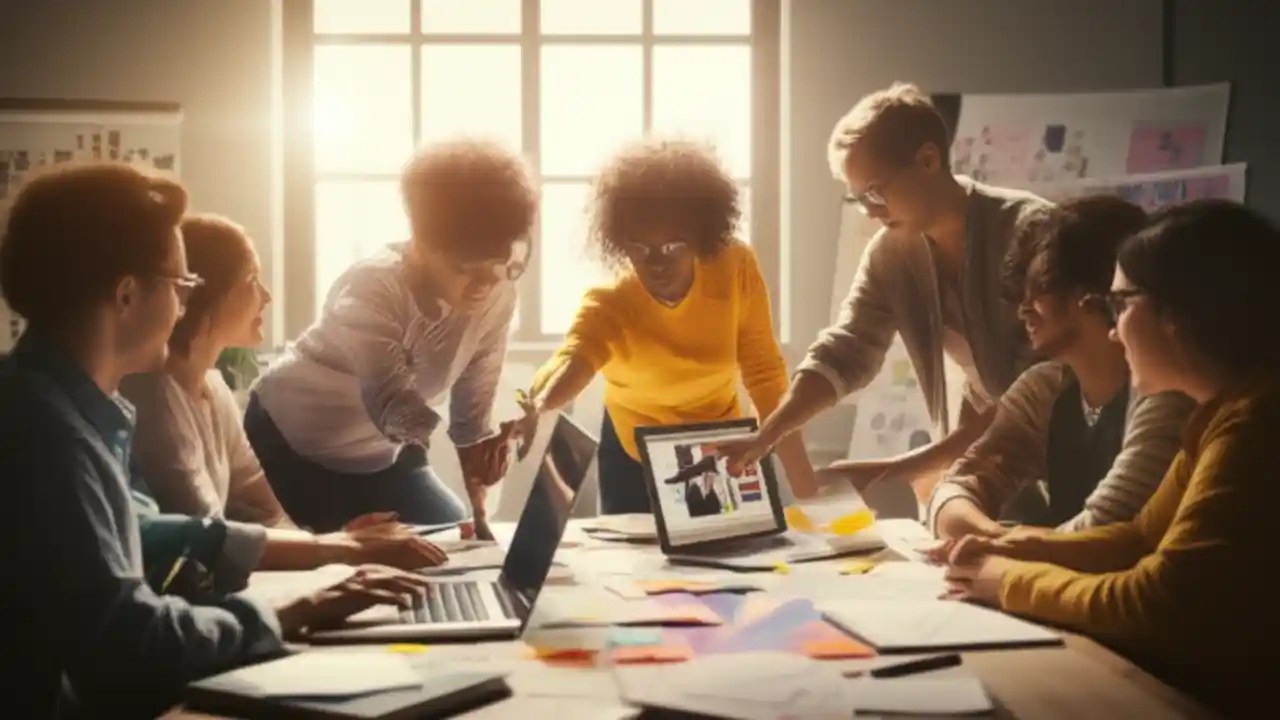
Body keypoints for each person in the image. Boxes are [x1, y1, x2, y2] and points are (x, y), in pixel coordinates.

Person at [0, 163, 431, 718]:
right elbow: (131, 643)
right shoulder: (49, 438)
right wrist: (291, 613)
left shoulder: (57, 405)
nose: (184, 306)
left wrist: (328, 554)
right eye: (182, 285)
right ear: (127, 295)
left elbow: (143, 529)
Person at [942, 200, 1280, 716]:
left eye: (1121, 303)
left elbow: (1153, 601)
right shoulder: (1223, 412)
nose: (1112, 328)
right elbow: (1141, 535)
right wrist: (1010, 542)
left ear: (1180, 312)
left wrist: (1006, 579)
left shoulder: (1256, 425)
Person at [715, 83, 1051, 496]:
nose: (871, 211)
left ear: (929, 160)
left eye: (876, 191)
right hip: (990, 450)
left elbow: (1036, 388)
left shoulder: (1031, 231)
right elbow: (846, 350)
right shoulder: (890, 253)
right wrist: (766, 436)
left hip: (1063, 447)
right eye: (859, 198)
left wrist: (902, 467)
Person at [122, 213, 447, 571]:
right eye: (251, 279)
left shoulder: (213, 388)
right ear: (209, 291)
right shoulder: (152, 396)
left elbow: (266, 515)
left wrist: (335, 541)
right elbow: (207, 544)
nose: (266, 296)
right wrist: (345, 548)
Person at [246, 140, 538, 535]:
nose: (486, 284)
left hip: (384, 456)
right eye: (466, 267)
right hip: (291, 444)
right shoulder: (372, 286)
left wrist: (485, 452)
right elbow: (392, 406)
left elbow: (472, 409)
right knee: (341, 559)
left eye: (502, 265)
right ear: (422, 244)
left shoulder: (498, 293)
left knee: (452, 539)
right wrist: (468, 447)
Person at [518, 138, 816, 514]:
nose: (656, 262)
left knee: (734, 558)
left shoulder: (734, 264)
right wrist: (541, 404)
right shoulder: (610, 297)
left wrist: (804, 483)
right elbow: (575, 357)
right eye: (640, 249)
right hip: (633, 450)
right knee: (634, 566)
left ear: (701, 237)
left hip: (721, 441)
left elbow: (764, 370)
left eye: (673, 247)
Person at [928, 196, 1194, 541]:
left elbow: (1109, 527)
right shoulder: (1044, 388)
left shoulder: (1164, 390)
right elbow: (955, 487)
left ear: (1094, 288)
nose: (1023, 308)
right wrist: (993, 538)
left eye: (1041, 286)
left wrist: (1001, 550)